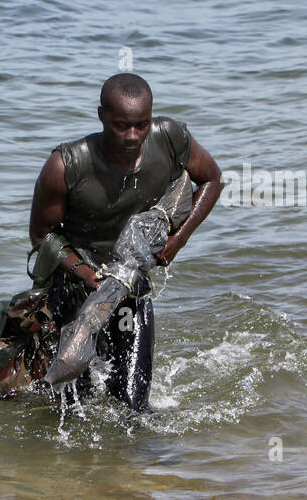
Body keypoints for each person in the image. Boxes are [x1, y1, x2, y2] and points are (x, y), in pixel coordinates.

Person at [29, 74, 222, 409]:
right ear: (102, 115)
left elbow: (212, 179)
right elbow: (42, 234)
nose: (132, 136)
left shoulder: (171, 138)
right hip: (76, 292)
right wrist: (86, 275)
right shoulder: (66, 164)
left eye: (141, 125)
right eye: (121, 125)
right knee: (74, 406)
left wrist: (179, 239)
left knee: (133, 405)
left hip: (131, 288)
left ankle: (134, 461)